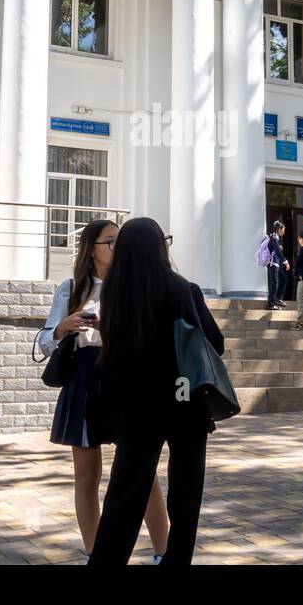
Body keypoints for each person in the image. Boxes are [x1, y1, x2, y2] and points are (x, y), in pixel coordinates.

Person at [88, 217, 224, 566]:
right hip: (185, 404)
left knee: (125, 492)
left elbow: (114, 353)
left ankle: (106, 560)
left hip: (136, 407)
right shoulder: (184, 289)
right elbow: (216, 344)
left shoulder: (115, 293)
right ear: (160, 248)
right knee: (185, 494)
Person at [38, 219, 168, 561]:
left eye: (119, 241)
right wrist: (64, 327)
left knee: (143, 472)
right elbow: (44, 341)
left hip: (125, 378)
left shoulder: (135, 285)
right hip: (83, 379)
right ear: (91, 248)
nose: (117, 247)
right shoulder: (71, 288)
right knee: (86, 475)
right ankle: (96, 554)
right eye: (110, 242)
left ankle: (163, 552)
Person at [265, 221, 289, 310]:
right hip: (273, 264)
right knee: (274, 284)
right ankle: (270, 304)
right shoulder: (274, 237)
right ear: (279, 229)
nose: (284, 231)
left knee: (284, 279)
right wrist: (285, 261)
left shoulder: (273, 237)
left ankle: (277, 299)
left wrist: (278, 248)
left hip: (274, 264)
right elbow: (277, 252)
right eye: (283, 229)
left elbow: (274, 250)